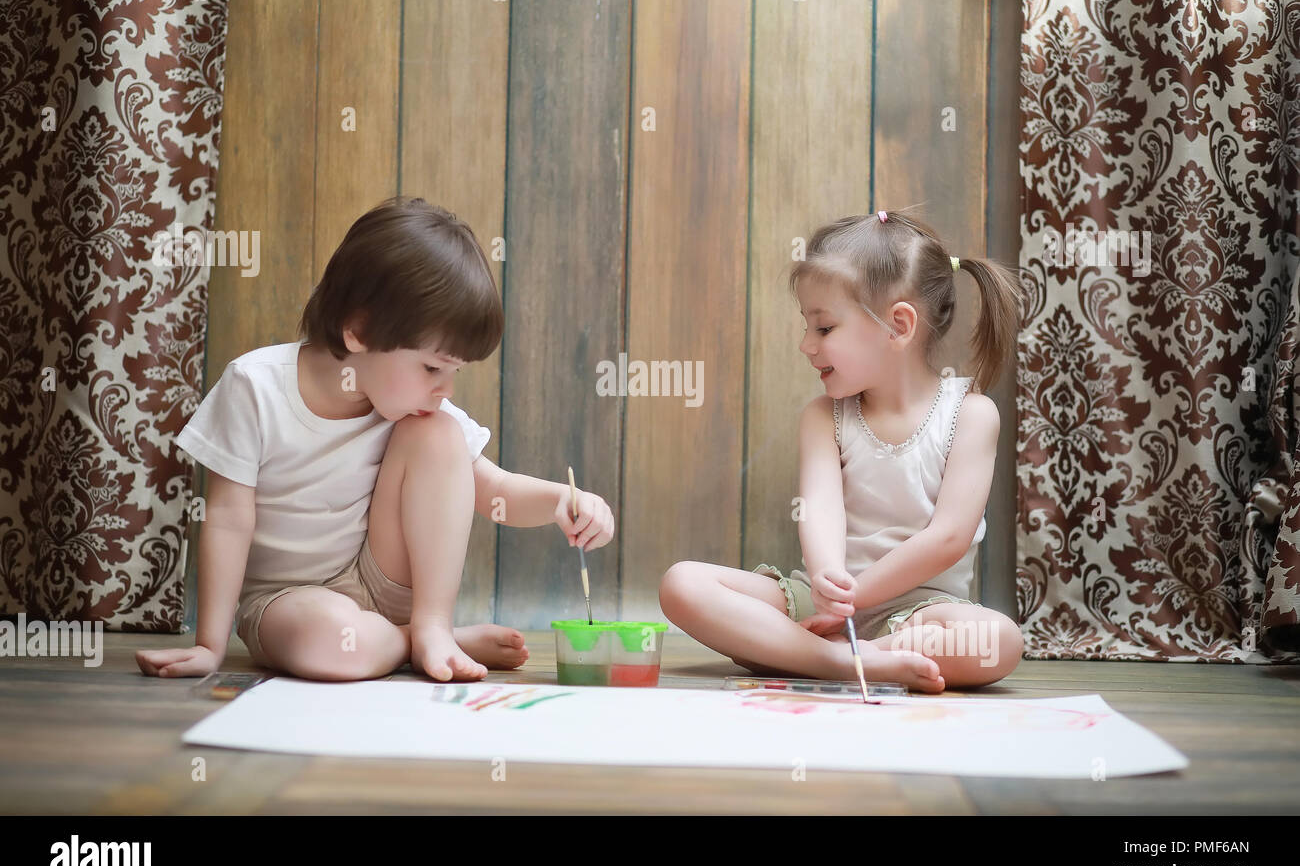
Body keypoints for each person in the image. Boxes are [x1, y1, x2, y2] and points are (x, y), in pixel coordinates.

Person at [137, 197, 614, 683]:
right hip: (288, 603)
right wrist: (209, 646)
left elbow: (494, 491)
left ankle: (431, 623)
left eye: (454, 372)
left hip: (381, 579)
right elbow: (228, 519)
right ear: (360, 331)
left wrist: (563, 500)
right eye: (432, 367)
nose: (444, 388)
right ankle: (416, 637)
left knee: (438, 435)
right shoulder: (254, 388)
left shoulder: (414, 406)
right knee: (332, 646)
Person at [660, 209, 1024, 691]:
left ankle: (810, 652)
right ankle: (845, 662)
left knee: (998, 640)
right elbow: (820, 507)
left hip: (919, 612)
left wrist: (855, 599)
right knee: (682, 583)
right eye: (807, 327)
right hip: (821, 600)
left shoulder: (971, 414)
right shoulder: (823, 417)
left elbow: (948, 538)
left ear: (898, 326)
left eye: (824, 328)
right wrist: (829, 577)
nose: (805, 344)